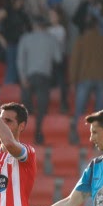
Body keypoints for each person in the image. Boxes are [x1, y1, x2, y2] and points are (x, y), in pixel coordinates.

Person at [17, 16, 61, 144]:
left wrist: (22, 77)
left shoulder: (25, 38)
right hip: (44, 77)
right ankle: (38, 134)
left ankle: (23, 134)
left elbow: (20, 60)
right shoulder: (51, 39)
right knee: (42, 108)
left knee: (25, 108)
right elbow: (58, 59)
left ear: (34, 26)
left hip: (28, 77)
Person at [69, 16, 103, 129]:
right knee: (100, 113)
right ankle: (98, 135)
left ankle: (76, 131)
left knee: (79, 109)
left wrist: (72, 81)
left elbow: (75, 61)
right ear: (97, 27)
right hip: (102, 78)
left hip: (85, 77)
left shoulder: (81, 40)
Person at [0, 0, 30, 85]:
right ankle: (8, 90)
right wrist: (0, 37)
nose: (22, 2)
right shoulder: (6, 11)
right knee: (12, 71)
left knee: (20, 71)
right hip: (11, 44)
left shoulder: (22, 13)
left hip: (21, 45)